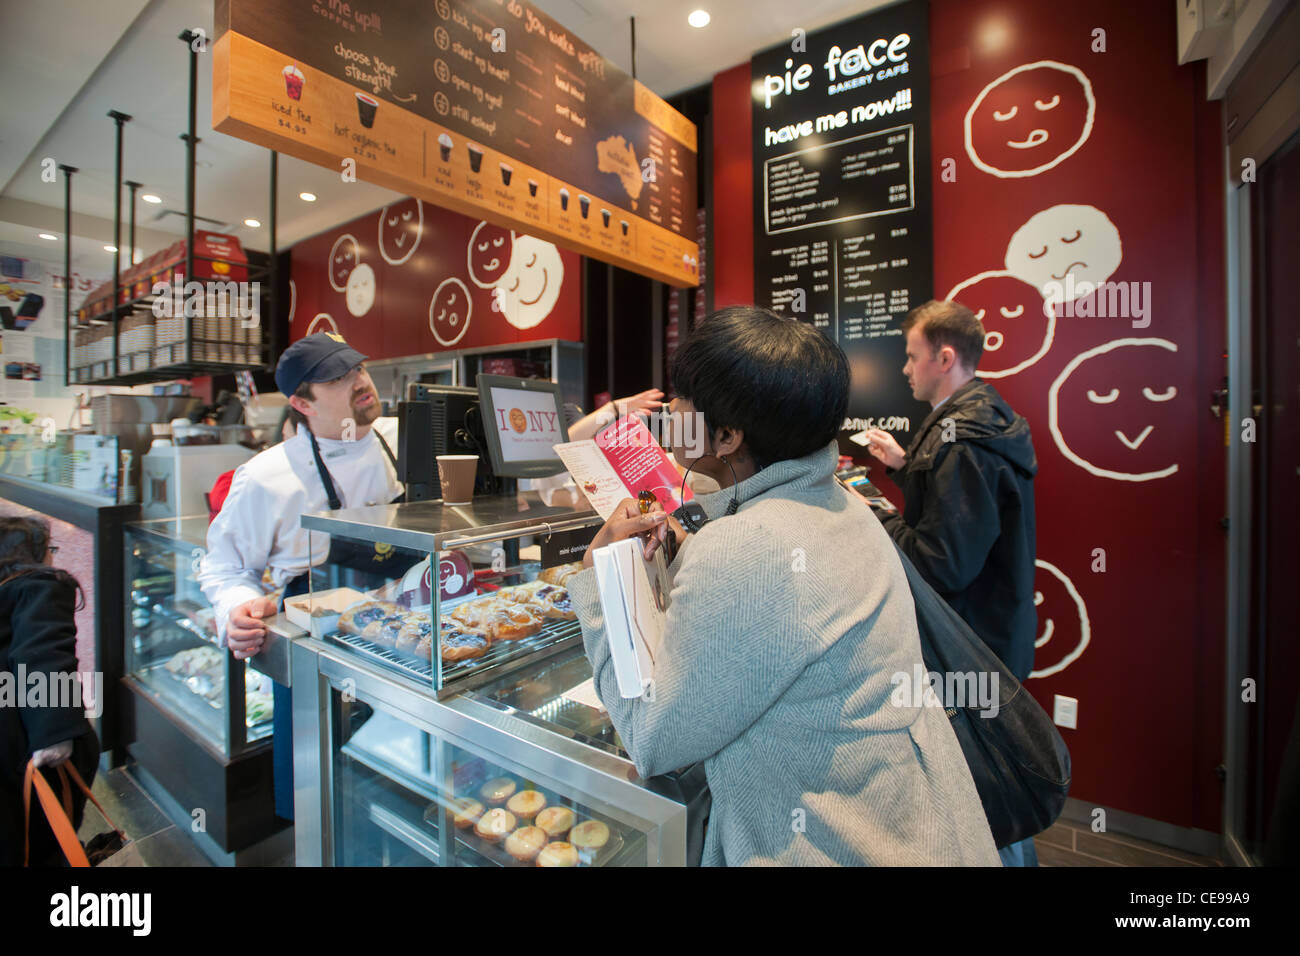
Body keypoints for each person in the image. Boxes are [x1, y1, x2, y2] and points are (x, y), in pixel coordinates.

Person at [567, 305, 1000, 866]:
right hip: (919, 825)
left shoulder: (746, 549)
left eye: (684, 401)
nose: (671, 411)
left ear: (726, 435)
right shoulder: (844, 502)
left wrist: (600, 582)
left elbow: (654, 741)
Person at [198, 332, 404, 820]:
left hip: (403, 645)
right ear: (300, 402)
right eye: (337, 377)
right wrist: (235, 607)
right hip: (320, 657)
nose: (360, 382)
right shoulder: (266, 476)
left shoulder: (402, 440)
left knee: (399, 792)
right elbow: (225, 567)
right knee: (325, 806)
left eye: (358, 367)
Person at [863, 299, 1038, 865]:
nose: (906, 369)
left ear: (944, 356)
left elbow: (942, 563)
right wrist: (902, 465)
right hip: (992, 631)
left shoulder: (963, 441)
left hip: (974, 643)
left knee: (985, 789)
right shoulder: (971, 418)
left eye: (912, 357)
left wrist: (874, 513)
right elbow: (951, 506)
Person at [0, 516, 98, 865]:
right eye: (50, 550)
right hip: (22, 756)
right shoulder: (39, 584)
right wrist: (54, 734)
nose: (53, 558)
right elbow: (41, 652)